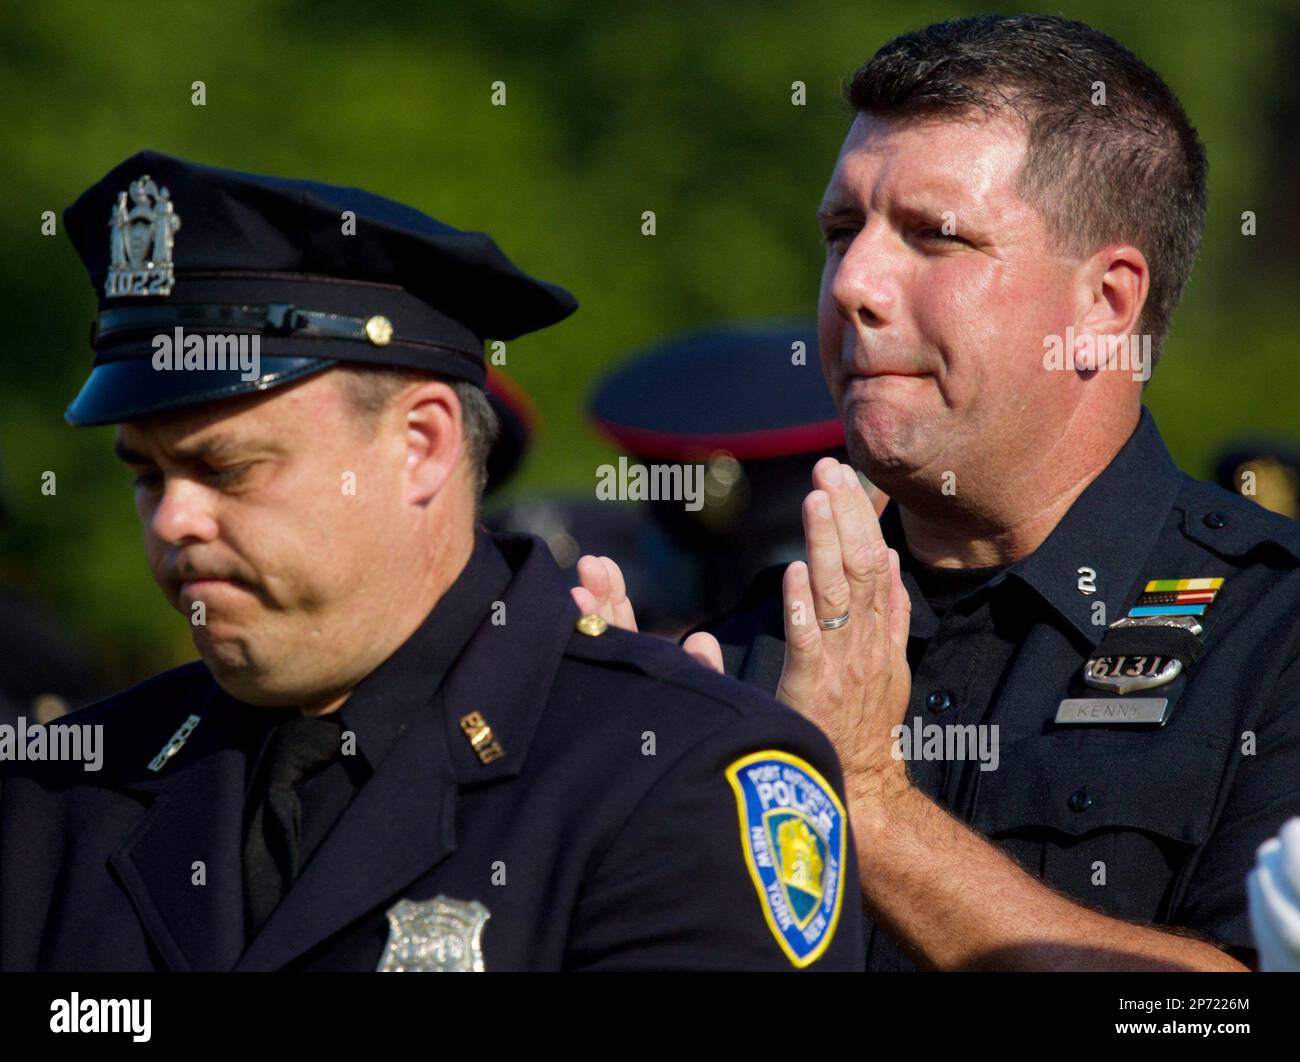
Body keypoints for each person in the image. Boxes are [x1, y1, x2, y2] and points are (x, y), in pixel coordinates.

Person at [0, 150, 864, 972]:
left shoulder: (676, 778)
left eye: (228, 468)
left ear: (420, 445)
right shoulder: (60, 790)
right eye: (149, 476)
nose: (175, 518)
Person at [574, 15, 1300, 971]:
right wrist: (592, 826)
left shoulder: (1274, 637)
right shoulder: (752, 649)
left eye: (936, 237)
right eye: (843, 231)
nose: (854, 284)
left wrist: (862, 797)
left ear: (1105, 305)